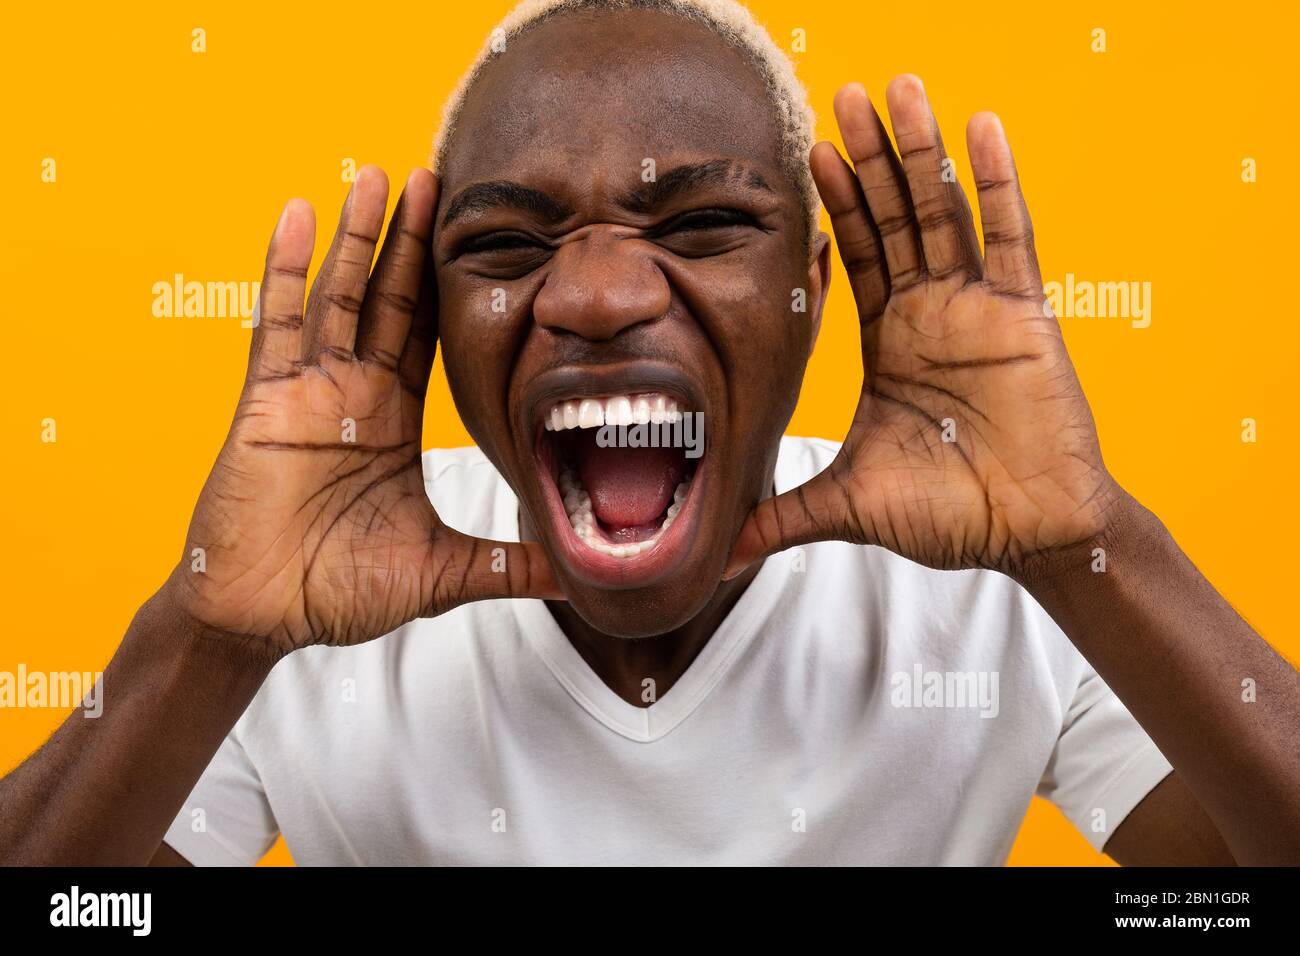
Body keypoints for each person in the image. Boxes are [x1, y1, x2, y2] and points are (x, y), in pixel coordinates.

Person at [2, 0, 1297, 866]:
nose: (599, 295)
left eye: (702, 227)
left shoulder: (998, 596)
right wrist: (208, 640)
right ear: (432, 321)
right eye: (507, 245)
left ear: (817, 290)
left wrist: (1095, 545)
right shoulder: (295, 621)